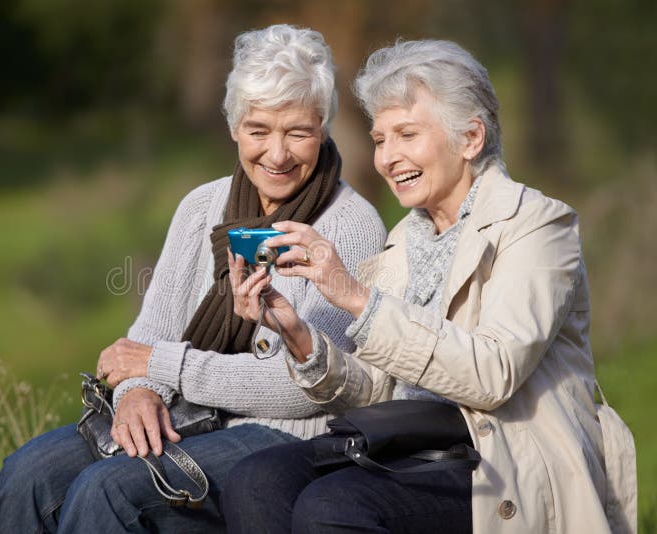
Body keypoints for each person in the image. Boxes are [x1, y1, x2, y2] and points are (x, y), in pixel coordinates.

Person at [0, 24, 387, 533]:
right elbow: (150, 335)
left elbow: (306, 387)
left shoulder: (352, 226)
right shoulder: (201, 207)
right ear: (234, 127)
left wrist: (163, 366)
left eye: (297, 133)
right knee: (28, 473)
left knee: (108, 491)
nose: (277, 154)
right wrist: (137, 393)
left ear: (323, 128)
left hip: (285, 435)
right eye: (259, 130)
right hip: (188, 412)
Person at [223, 39, 636, 533]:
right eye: (380, 139)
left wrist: (354, 296)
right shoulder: (404, 240)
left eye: (407, 135)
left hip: (497, 459)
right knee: (255, 481)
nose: (387, 158)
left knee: (333, 506)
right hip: (409, 443)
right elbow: (376, 395)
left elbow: (491, 374)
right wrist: (296, 334)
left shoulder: (537, 226)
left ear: (471, 138)